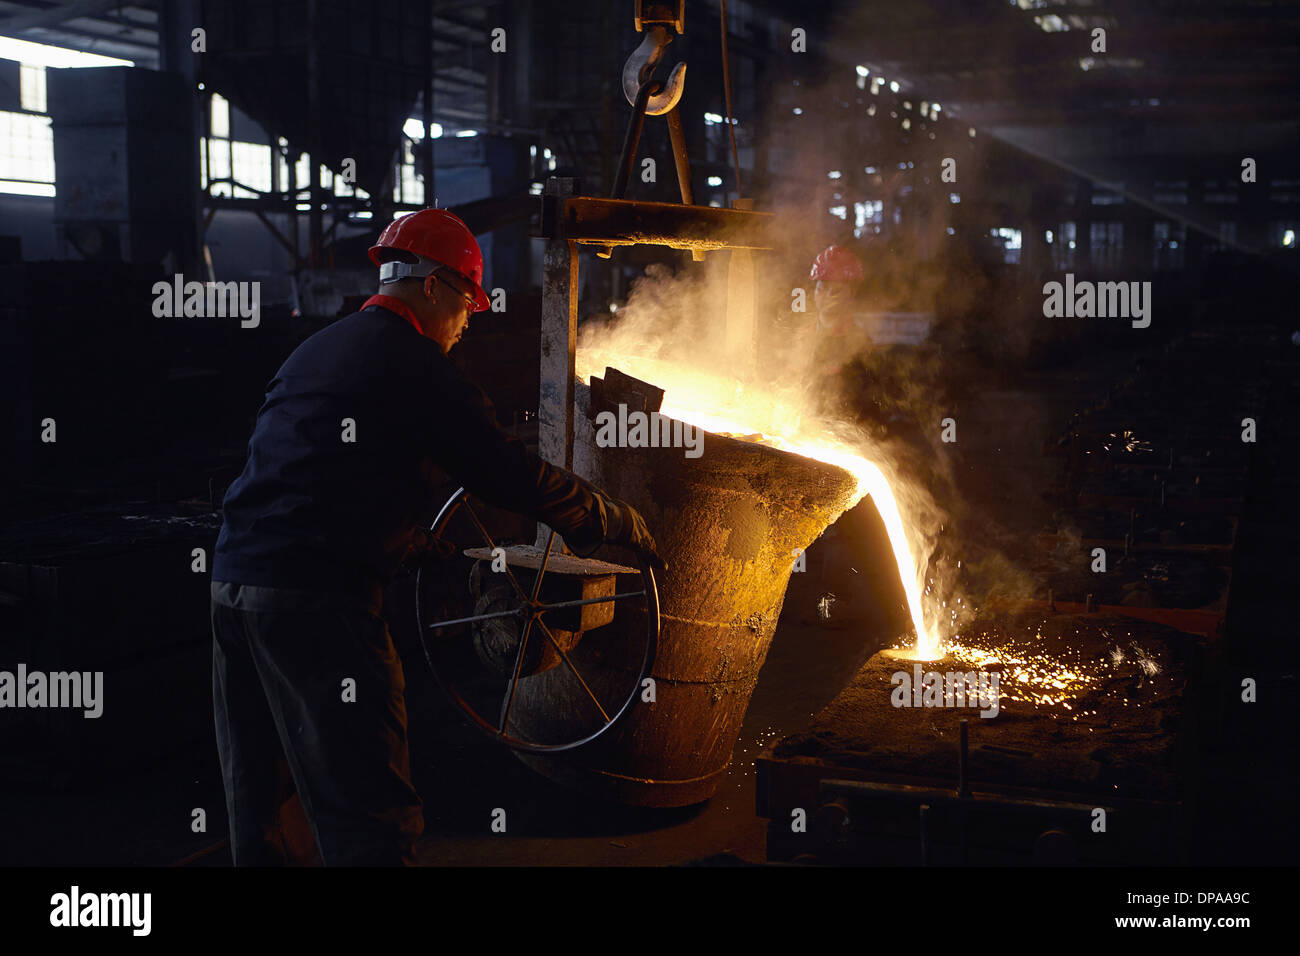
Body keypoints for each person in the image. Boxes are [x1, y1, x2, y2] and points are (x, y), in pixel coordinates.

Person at [209, 208, 663, 866]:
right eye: (468, 305)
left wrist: (408, 542)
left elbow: (310, 475)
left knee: (264, 806)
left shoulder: (320, 350)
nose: (469, 322)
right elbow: (505, 472)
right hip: (318, 602)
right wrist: (602, 517)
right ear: (433, 289)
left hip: (232, 589)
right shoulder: (418, 368)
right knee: (368, 807)